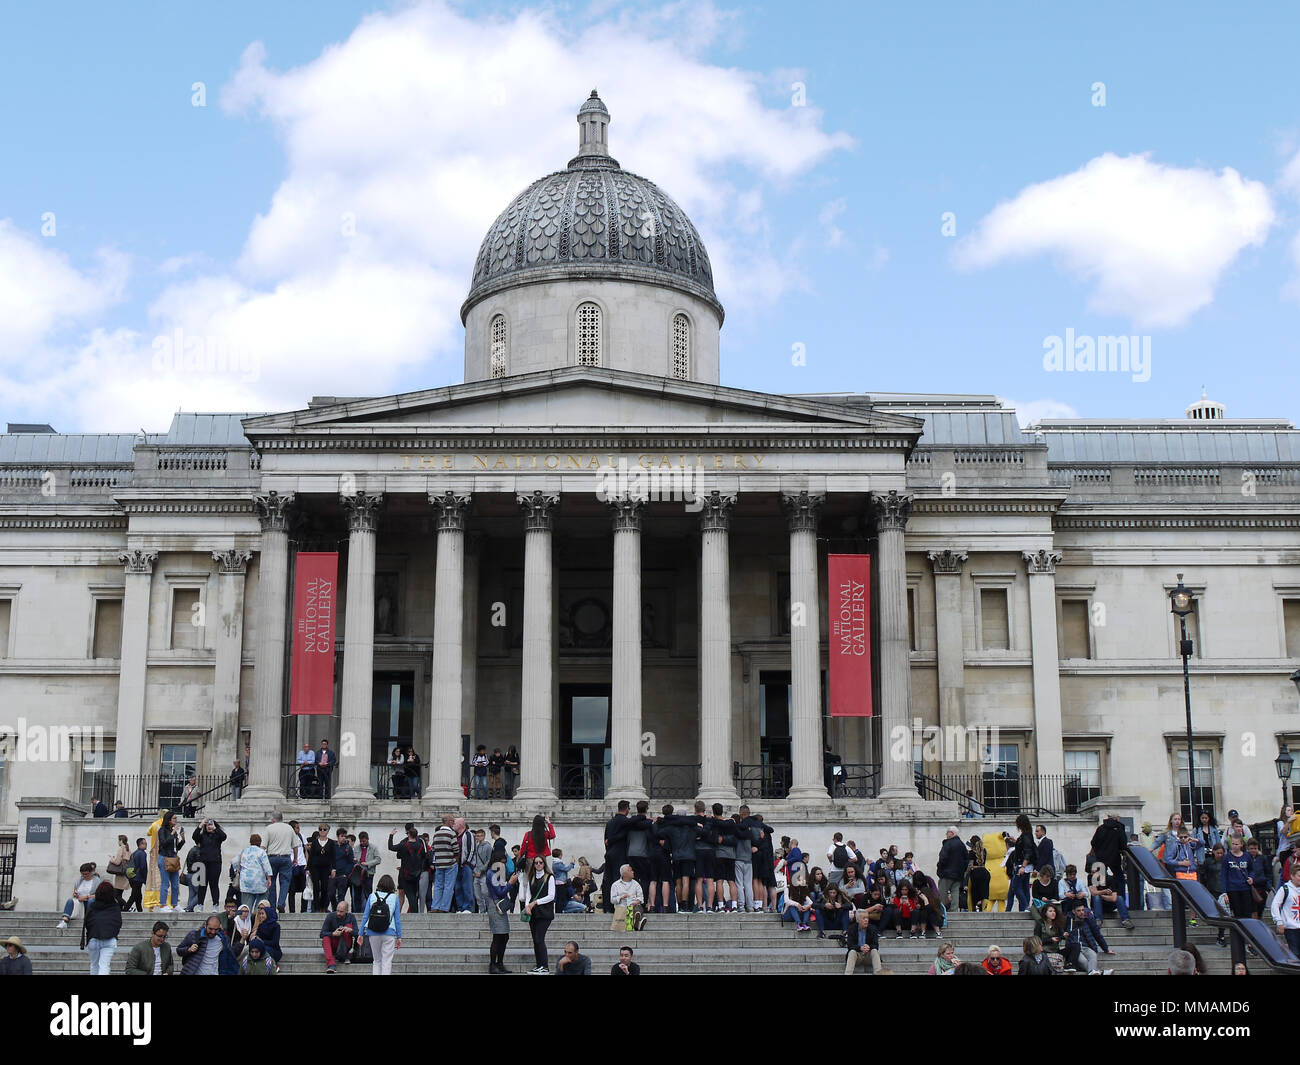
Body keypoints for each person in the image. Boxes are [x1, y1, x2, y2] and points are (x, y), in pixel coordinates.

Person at [358, 873, 402, 975]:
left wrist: (360, 934)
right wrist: (399, 937)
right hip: (389, 932)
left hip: (372, 932)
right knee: (386, 961)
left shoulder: (372, 896)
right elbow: (397, 920)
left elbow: (365, 916)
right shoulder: (394, 898)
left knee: (376, 961)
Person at [522, 854, 555, 974]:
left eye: (541, 862)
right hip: (534, 912)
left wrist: (535, 902)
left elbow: (551, 896)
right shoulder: (532, 876)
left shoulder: (549, 877)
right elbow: (528, 894)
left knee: (539, 938)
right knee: (535, 940)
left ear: (544, 864)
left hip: (545, 912)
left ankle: (544, 966)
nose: (538, 865)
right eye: (536, 863)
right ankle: (539, 965)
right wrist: (527, 905)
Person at [83, 881, 122, 974]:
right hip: (109, 938)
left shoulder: (92, 906)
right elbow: (118, 922)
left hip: (94, 937)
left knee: (94, 965)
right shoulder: (115, 906)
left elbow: (88, 922)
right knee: (104, 965)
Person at [388, 823, 426, 913]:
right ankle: (415, 912)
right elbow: (425, 856)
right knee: (413, 894)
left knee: (409, 895)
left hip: (406, 873)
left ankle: (413, 913)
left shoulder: (404, 845)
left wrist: (391, 836)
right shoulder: (420, 845)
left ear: (408, 834)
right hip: (417, 873)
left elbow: (391, 847)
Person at [602, 800, 632, 913]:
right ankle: (618, 905)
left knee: (608, 880)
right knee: (618, 879)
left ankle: (607, 906)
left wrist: (609, 846)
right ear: (627, 809)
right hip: (621, 854)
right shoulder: (626, 822)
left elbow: (605, 839)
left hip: (610, 853)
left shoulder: (610, 822)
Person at [262, 812, 296, 912]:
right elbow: (295, 846)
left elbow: (263, 847)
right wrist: (296, 858)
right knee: (285, 882)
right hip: (285, 857)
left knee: (271, 882)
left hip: (272, 858)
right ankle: (281, 903)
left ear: (273, 819)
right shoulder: (289, 828)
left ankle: (272, 906)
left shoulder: (269, 828)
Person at [191, 817, 227, 911]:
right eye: (207, 825)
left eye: (210, 825)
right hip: (203, 863)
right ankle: (200, 904)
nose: (209, 827)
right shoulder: (202, 836)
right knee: (202, 885)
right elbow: (194, 836)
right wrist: (200, 825)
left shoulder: (217, 835)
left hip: (215, 862)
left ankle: (215, 904)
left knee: (214, 884)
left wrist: (215, 828)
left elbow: (224, 837)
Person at [487, 862, 513, 974]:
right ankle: (493, 965)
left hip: (500, 907)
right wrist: (510, 883)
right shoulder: (491, 874)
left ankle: (499, 963)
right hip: (495, 906)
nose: (504, 864)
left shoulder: (498, 873)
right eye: (502, 862)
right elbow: (500, 892)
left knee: (504, 936)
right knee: (498, 937)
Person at [57, 863, 101, 929]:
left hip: (90, 902)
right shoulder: (79, 881)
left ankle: (89, 918)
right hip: (80, 902)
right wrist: (75, 894)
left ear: (91, 872)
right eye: (83, 874)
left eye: (86, 874)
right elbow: (75, 892)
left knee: (91, 901)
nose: (84, 876)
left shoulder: (97, 881)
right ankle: (64, 921)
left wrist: (86, 897)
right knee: (70, 900)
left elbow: (99, 895)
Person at [157, 812, 186, 911]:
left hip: (173, 858)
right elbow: (163, 843)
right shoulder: (162, 830)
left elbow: (176, 847)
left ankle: (175, 904)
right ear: (169, 820)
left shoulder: (171, 831)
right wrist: (172, 833)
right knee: (165, 883)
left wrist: (182, 839)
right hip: (164, 857)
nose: (176, 820)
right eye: (174, 818)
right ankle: (163, 904)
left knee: (175, 883)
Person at [1009, 814, 1037, 912]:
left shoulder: (1025, 836)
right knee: (1025, 887)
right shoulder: (1027, 835)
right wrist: (1015, 841)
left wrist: (1023, 867)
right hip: (1026, 865)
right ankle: (1024, 908)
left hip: (1022, 865)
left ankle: (1025, 906)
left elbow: (1028, 852)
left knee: (1016, 887)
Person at [236, 833, 272, 910]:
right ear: (260, 842)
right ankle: (257, 914)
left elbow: (234, 863)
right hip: (259, 880)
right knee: (263, 898)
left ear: (250, 842)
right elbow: (266, 866)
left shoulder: (244, 851)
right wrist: (269, 878)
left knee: (246, 905)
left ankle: (246, 917)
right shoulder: (261, 852)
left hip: (246, 881)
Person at [1271, 863, 1300, 954]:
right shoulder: (1285, 889)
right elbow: (1275, 905)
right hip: (1291, 927)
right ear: (1292, 876)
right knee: (1295, 953)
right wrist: (1279, 921)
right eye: (1299, 876)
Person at [321, 900, 357, 973]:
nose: (338, 913)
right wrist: (333, 934)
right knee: (325, 939)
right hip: (334, 943)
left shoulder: (351, 917)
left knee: (348, 926)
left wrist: (350, 930)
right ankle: (331, 965)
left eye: (341, 912)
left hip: (346, 944)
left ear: (347, 911)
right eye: (337, 911)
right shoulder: (330, 916)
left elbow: (357, 933)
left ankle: (344, 955)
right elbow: (322, 933)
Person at [844, 908, 883, 975]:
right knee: (852, 952)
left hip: (868, 956)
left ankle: (878, 973)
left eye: (867, 918)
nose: (866, 920)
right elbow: (850, 945)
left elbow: (876, 945)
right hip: (857, 956)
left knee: (874, 951)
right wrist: (860, 948)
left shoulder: (872, 928)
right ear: (858, 920)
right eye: (863, 918)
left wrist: (868, 947)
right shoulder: (851, 928)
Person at [936, 826, 967, 911]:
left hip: (947, 873)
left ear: (952, 833)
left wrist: (940, 869)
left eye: (947, 832)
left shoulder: (948, 844)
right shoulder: (962, 844)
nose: (946, 834)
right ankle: (954, 910)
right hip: (958, 874)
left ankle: (942, 911)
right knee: (955, 892)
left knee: (942, 892)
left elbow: (943, 858)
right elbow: (966, 859)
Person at [610, 864, 647, 930]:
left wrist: (635, 903)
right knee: (632, 911)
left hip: (634, 906)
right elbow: (612, 900)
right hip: (621, 908)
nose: (633, 872)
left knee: (637, 908)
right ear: (625, 874)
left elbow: (641, 898)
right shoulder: (615, 885)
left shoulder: (636, 884)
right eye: (630, 871)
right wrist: (621, 897)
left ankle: (637, 919)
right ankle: (638, 922)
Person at [351, 831, 380, 913]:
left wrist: (368, 863)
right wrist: (355, 861)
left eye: (364, 841)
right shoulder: (356, 848)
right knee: (357, 893)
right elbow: (352, 858)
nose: (362, 843)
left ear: (368, 839)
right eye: (361, 841)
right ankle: (357, 911)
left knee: (367, 893)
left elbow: (378, 859)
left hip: (368, 873)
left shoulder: (373, 848)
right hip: (358, 872)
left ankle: (367, 911)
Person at [252, 900, 282, 970]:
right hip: (261, 947)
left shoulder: (276, 926)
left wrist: (262, 942)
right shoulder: (261, 925)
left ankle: (273, 965)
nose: (261, 916)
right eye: (260, 914)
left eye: (263, 914)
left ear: (268, 914)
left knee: (266, 950)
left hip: (273, 950)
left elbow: (275, 942)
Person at [330, 828, 355, 909]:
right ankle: (334, 908)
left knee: (341, 895)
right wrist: (330, 870)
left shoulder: (348, 848)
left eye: (345, 836)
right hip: (333, 874)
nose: (343, 838)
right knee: (331, 893)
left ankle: (340, 910)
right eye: (342, 836)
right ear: (338, 836)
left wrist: (346, 874)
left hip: (342, 875)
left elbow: (351, 862)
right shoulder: (332, 846)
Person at [125, 838, 148, 912]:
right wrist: (146, 879)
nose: (146, 845)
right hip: (138, 878)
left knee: (138, 896)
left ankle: (140, 911)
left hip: (132, 877)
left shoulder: (135, 853)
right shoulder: (142, 853)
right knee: (134, 895)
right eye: (145, 843)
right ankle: (124, 910)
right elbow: (143, 867)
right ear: (140, 844)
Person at [109, 834, 132, 908]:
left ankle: (128, 907)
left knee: (116, 895)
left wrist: (112, 859)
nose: (118, 842)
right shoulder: (128, 849)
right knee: (119, 894)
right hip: (125, 873)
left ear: (121, 841)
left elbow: (117, 862)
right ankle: (121, 909)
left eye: (118, 840)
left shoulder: (121, 848)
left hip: (120, 874)